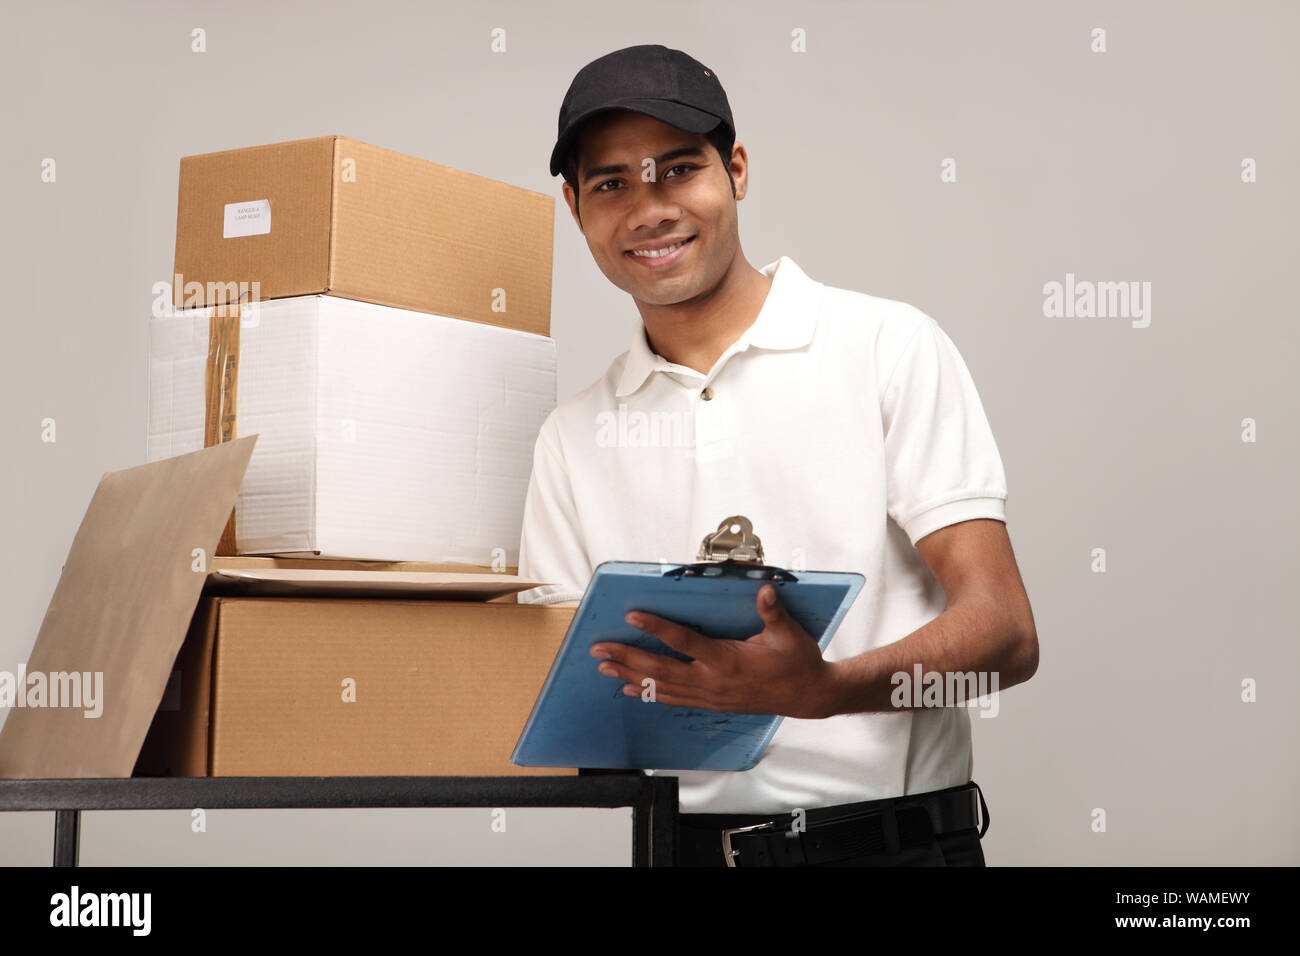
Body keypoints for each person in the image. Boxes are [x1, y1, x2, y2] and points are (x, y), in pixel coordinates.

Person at [517, 43, 1039, 866]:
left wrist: (824, 693)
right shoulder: (572, 438)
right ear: (575, 207)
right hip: (678, 849)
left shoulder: (887, 349)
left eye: (677, 170)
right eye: (611, 183)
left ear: (737, 170)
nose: (648, 210)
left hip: (890, 848)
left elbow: (1006, 637)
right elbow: (567, 712)